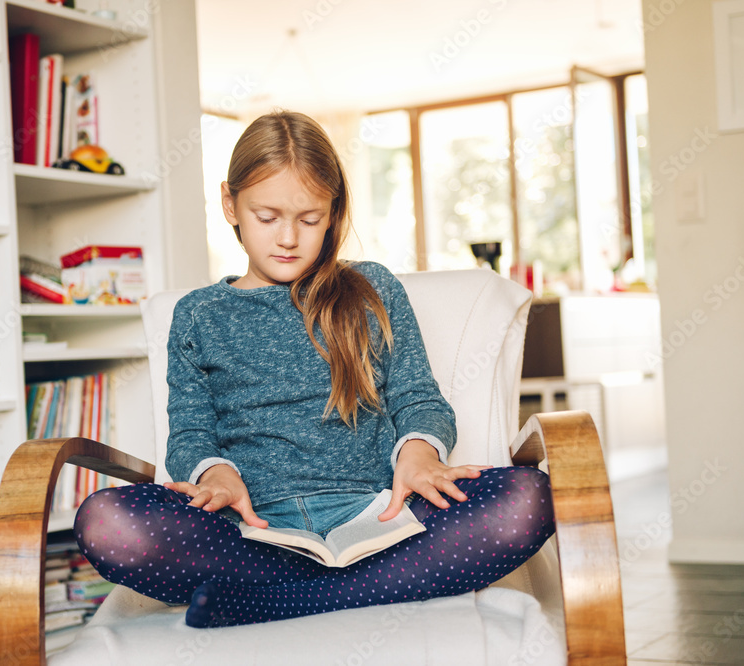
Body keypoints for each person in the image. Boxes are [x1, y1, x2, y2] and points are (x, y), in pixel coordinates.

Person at [74, 110, 555, 629]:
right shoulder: (196, 314)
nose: (288, 238)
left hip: (380, 518)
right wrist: (216, 474)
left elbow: (419, 398)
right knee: (105, 521)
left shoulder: (372, 288)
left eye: (309, 219)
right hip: (251, 530)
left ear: (333, 213)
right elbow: (189, 434)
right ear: (230, 204)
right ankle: (341, 589)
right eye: (267, 217)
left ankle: (281, 600)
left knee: (527, 500)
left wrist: (419, 455)